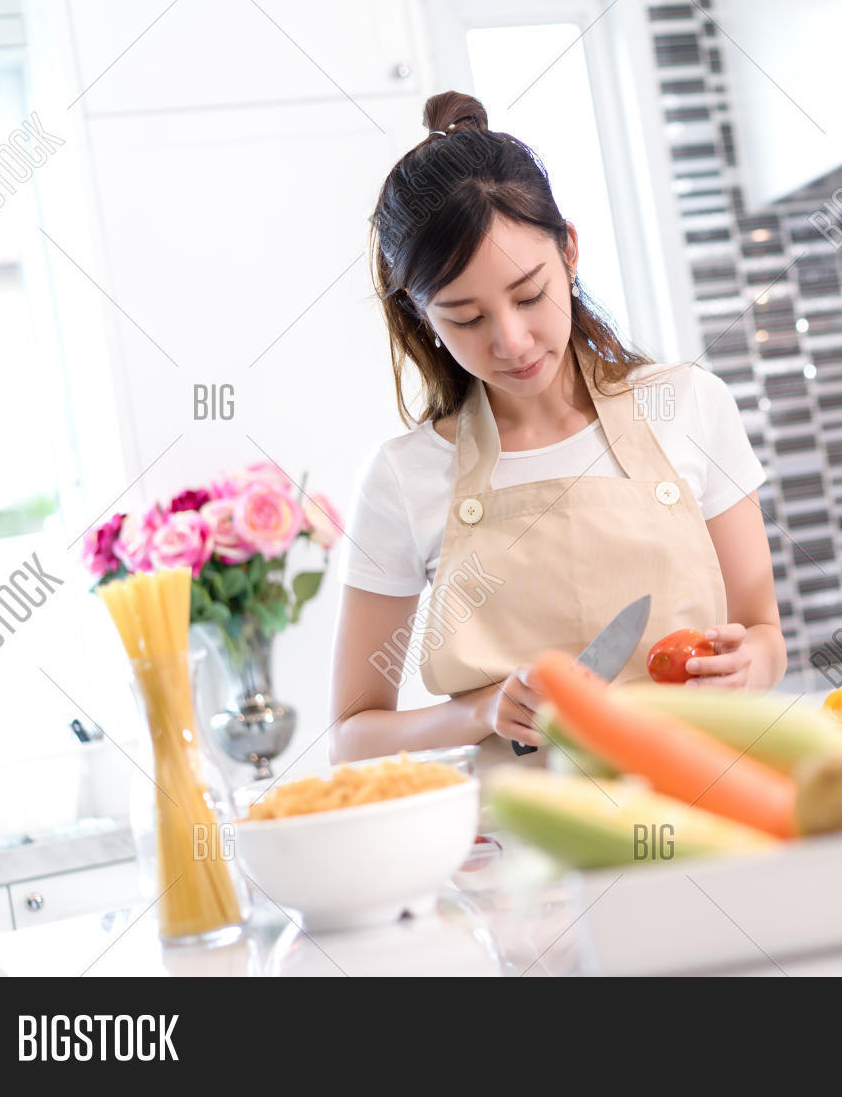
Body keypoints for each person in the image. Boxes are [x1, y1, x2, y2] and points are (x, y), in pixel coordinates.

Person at [328, 91, 785, 768]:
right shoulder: (405, 477)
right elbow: (350, 734)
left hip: (707, 803)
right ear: (421, 314)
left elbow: (764, 633)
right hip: (522, 844)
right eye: (466, 317)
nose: (511, 341)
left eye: (528, 294)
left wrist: (754, 662)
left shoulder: (691, 405)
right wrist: (480, 711)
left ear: (569, 251)